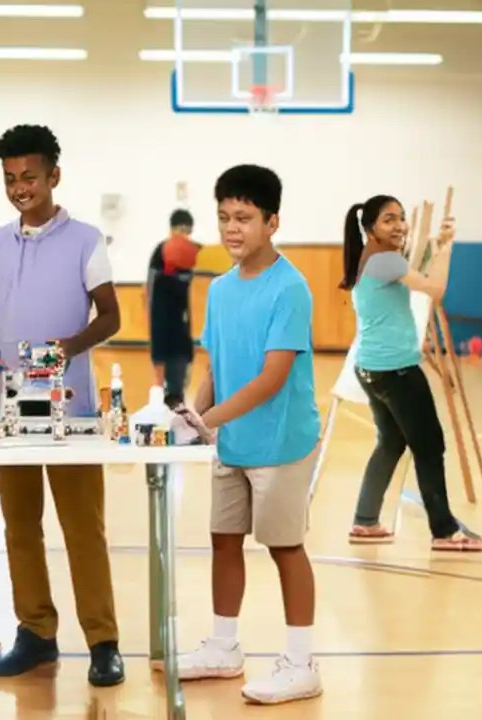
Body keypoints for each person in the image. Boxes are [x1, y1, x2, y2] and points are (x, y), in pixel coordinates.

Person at [0, 124, 125, 687]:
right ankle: (35, 632)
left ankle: (103, 640)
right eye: (10, 179)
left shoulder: (86, 239)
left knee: (83, 527)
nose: (20, 188)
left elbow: (111, 317)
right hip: (10, 406)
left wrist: (69, 347)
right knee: (19, 525)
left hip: (71, 408)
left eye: (30, 177)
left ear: (53, 176)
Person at [175, 164, 322, 705]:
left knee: (285, 547)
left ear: (272, 221)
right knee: (223, 539)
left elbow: (272, 376)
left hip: (282, 442)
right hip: (230, 441)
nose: (231, 228)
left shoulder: (292, 288)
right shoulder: (218, 289)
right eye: (223, 217)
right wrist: (190, 417)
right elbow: (214, 368)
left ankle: (302, 663)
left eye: (244, 217)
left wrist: (207, 422)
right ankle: (223, 646)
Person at [337, 196, 482, 550]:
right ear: (370, 227)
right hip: (396, 372)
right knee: (430, 446)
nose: (400, 226)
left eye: (402, 219)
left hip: (372, 369)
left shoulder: (370, 258)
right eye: (389, 219)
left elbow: (417, 273)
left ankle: (365, 521)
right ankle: (445, 532)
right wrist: (446, 248)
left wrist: (433, 248)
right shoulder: (385, 260)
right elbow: (435, 289)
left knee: (391, 442)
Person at [147, 208, 199, 400]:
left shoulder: (193, 254)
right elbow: (150, 292)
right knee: (162, 388)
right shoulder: (160, 253)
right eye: (180, 229)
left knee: (178, 389)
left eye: (187, 230)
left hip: (182, 333)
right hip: (162, 330)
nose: (184, 234)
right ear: (172, 229)